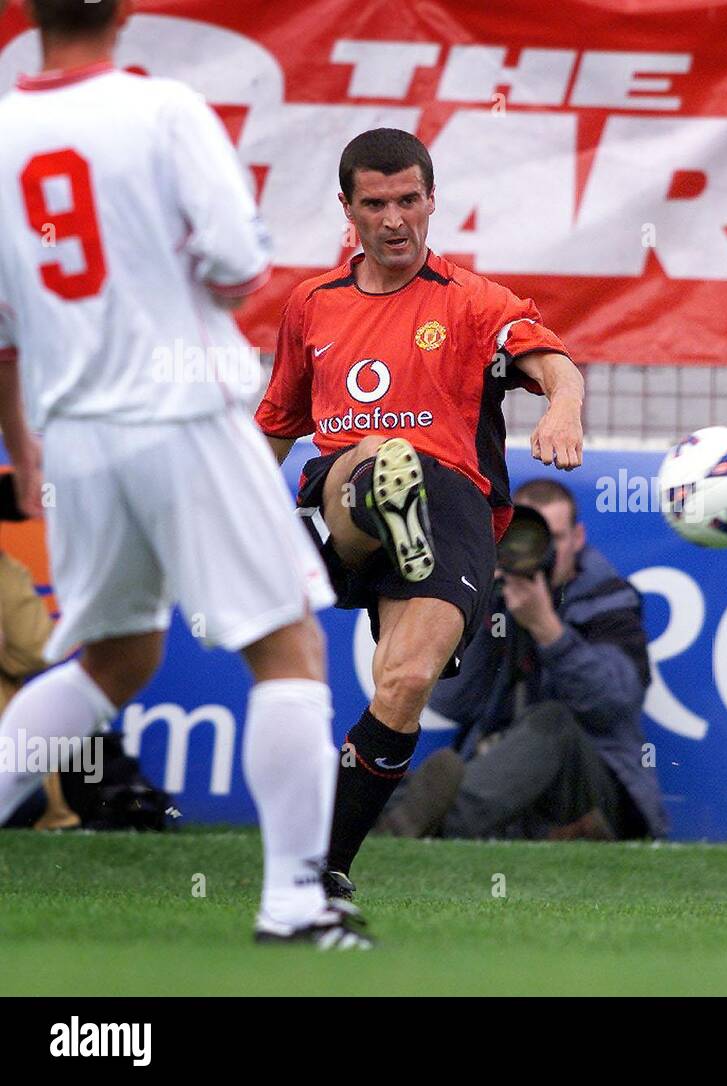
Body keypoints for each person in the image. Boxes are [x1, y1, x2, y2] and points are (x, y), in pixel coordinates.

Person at [0, 0, 366, 947]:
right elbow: (242, 267)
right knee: (288, 648)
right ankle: (293, 905)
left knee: (118, 660)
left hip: (74, 433)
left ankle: (296, 902)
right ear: (125, 9)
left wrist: (24, 445)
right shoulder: (162, 110)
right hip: (182, 414)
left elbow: (3, 329)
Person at [255, 128, 585, 901]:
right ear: (348, 210)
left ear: (432, 200)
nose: (395, 219)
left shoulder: (473, 302)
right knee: (373, 454)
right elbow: (275, 422)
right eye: (376, 204)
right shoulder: (312, 305)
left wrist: (563, 409)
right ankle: (377, 505)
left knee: (402, 683)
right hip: (345, 485)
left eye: (409, 200)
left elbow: (554, 363)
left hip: (454, 506)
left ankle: (322, 873)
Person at [376, 478, 667, 842]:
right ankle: (391, 820)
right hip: (505, 789)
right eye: (523, 538)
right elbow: (453, 702)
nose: (540, 552)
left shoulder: (609, 600)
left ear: (577, 539)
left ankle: (437, 826)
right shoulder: (490, 596)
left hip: (592, 795)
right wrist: (480, 603)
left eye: (553, 539)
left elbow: (616, 702)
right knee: (383, 780)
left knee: (553, 721)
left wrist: (548, 630)